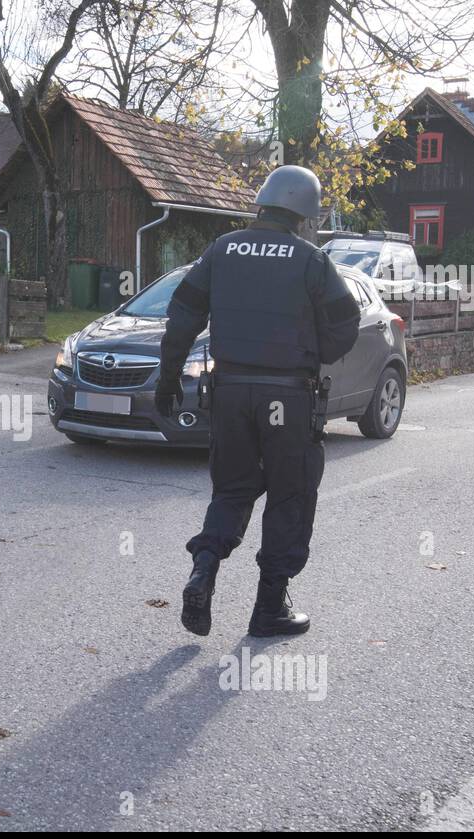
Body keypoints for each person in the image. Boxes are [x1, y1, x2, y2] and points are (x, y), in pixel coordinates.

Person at [154, 165, 360, 638]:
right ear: (305, 212)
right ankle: (269, 609)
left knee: (232, 489)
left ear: (263, 202)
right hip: (288, 397)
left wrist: (168, 378)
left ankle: (203, 569)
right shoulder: (311, 260)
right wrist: (315, 351)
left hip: (228, 392)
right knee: (290, 494)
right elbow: (345, 325)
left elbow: (182, 316)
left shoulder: (222, 250)